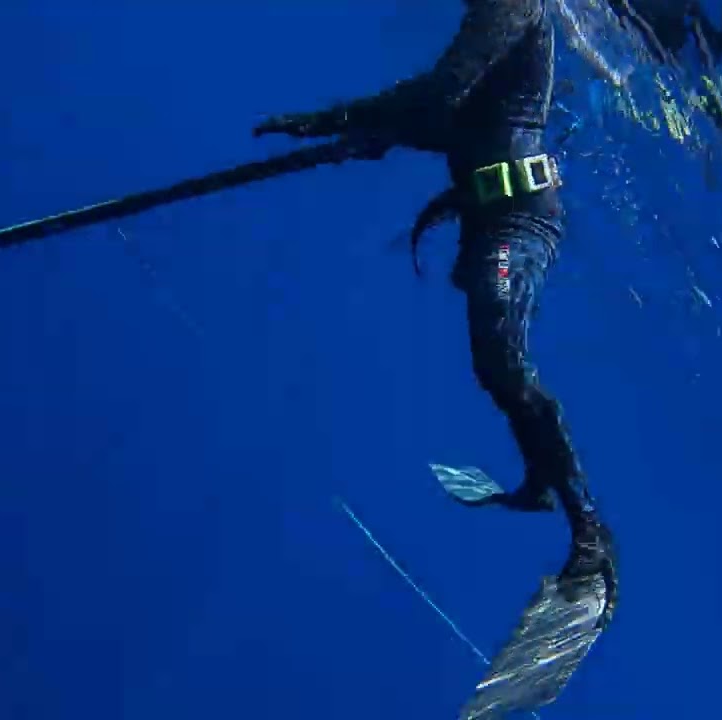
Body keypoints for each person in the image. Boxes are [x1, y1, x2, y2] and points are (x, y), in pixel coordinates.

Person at [251, 0, 619, 625]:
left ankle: (591, 535)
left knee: (503, 356)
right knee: (490, 361)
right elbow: (448, 119)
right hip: (485, 217)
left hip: (517, 217)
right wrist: (349, 131)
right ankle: (539, 479)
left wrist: (339, 122)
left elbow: (441, 95)